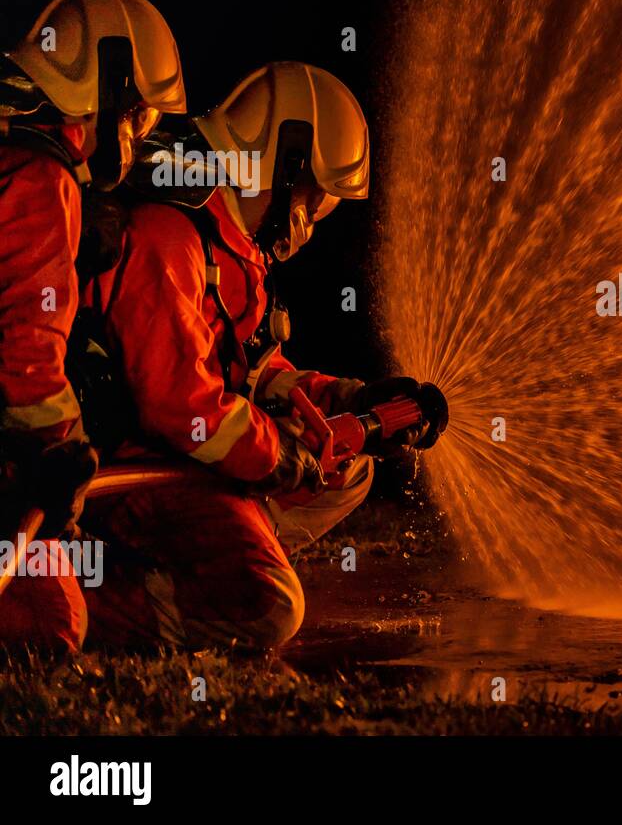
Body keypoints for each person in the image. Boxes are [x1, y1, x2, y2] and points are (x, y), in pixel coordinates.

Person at [79, 62, 445, 648]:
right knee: (269, 610)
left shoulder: (232, 243)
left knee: (349, 467)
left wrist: (349, 401)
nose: (314, 213)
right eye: (314, 194)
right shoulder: (169, 236)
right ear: (286, 160)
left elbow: (255, 372)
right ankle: (86, 597)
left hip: (182, 457)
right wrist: (276, 454)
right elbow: (181, 406)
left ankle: (225, 546)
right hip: (129, 472)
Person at [0, 0, 185, 652]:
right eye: (136, 115)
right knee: (55, 623)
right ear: (104, 85)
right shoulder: (39, 178)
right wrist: (60, 451)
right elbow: (28, 359)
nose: (136, 136)